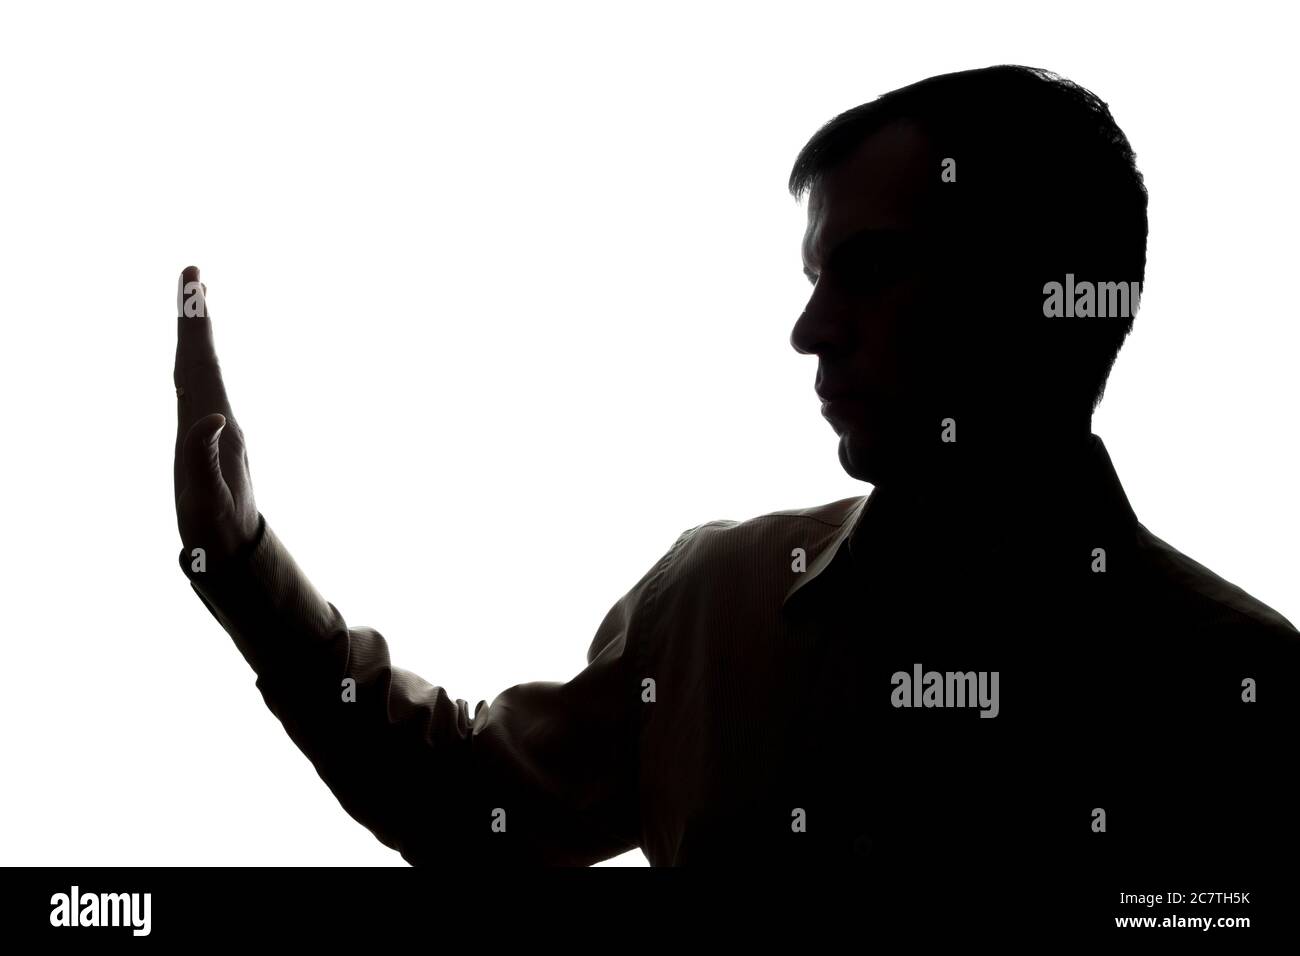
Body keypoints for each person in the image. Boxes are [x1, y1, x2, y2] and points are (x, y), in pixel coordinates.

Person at [174, 65, 1298, 881]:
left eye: (865, 271)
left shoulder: (1243, 695)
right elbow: (474, 805)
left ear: (1027, 290)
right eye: (814, 276)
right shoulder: (709, 605)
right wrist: (240, 559)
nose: (808, 330)